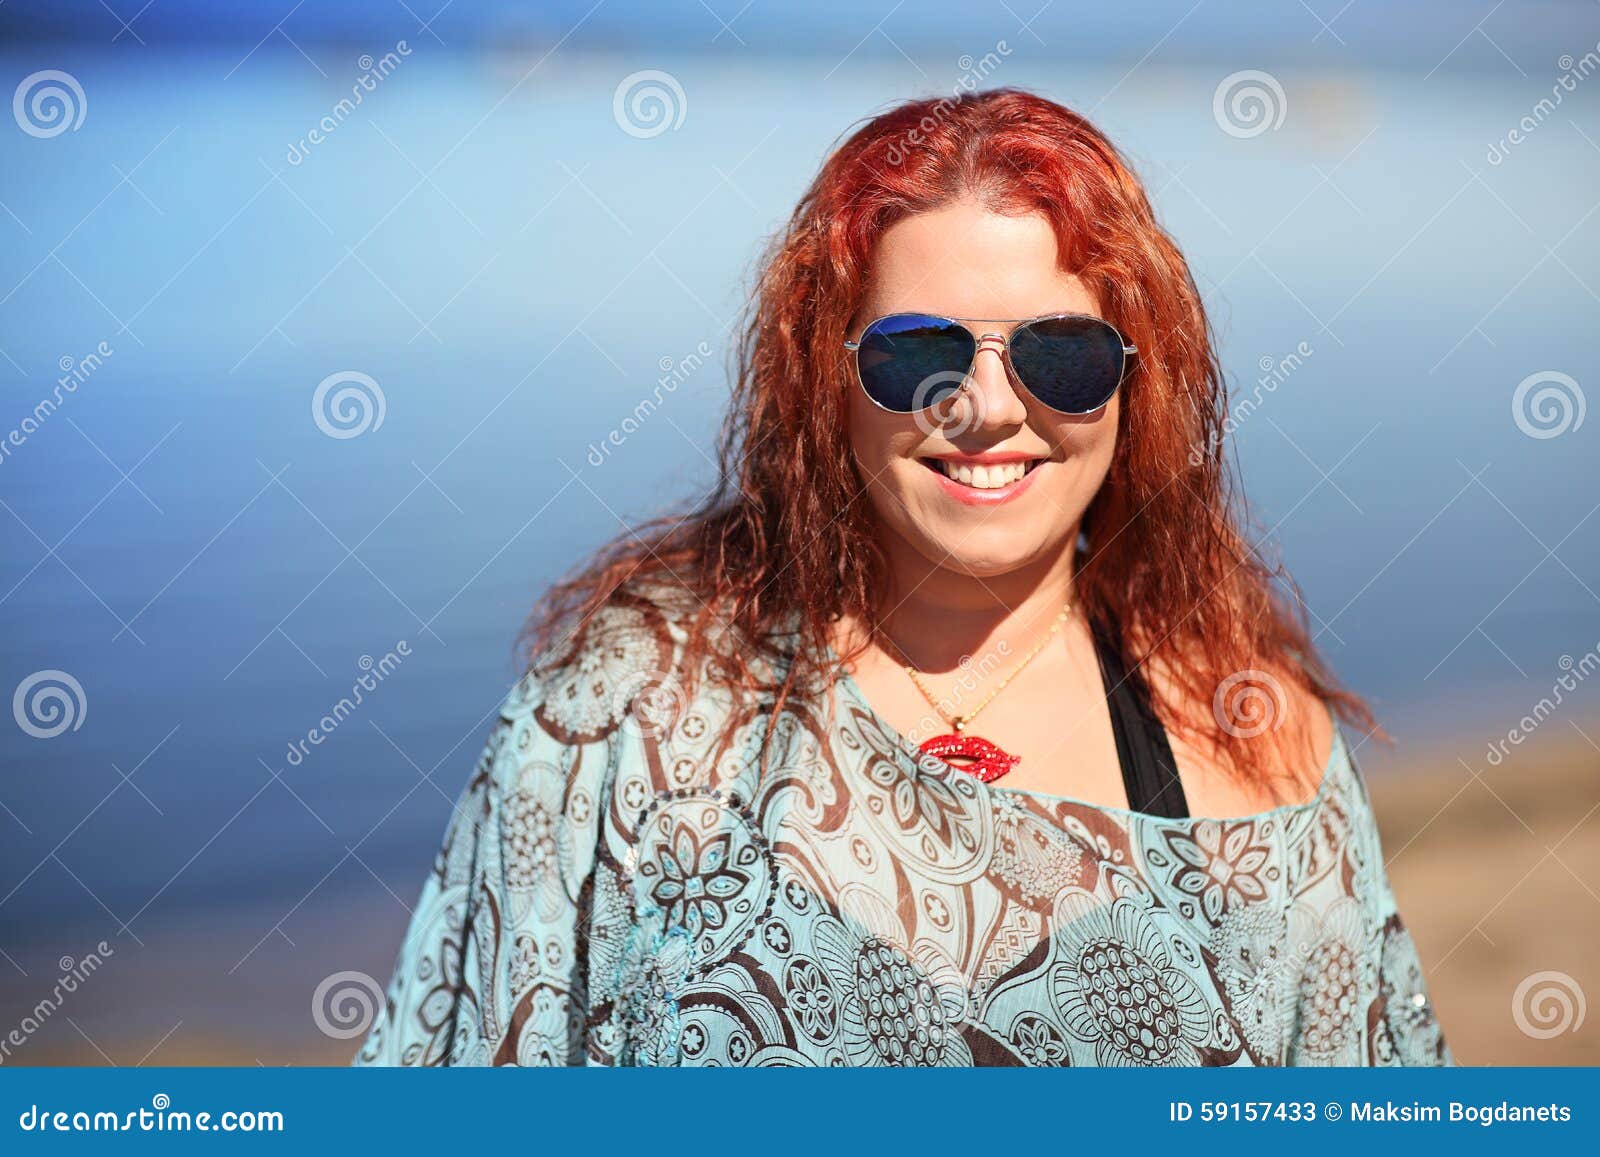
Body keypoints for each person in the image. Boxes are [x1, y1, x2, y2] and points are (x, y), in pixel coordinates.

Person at [355, 89, 1450, 1067]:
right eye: (915, 352)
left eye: (1058, 354)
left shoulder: (1248, 736)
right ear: (823, 380)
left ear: (1134, 382)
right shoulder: (639, 704)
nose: (982, 408)